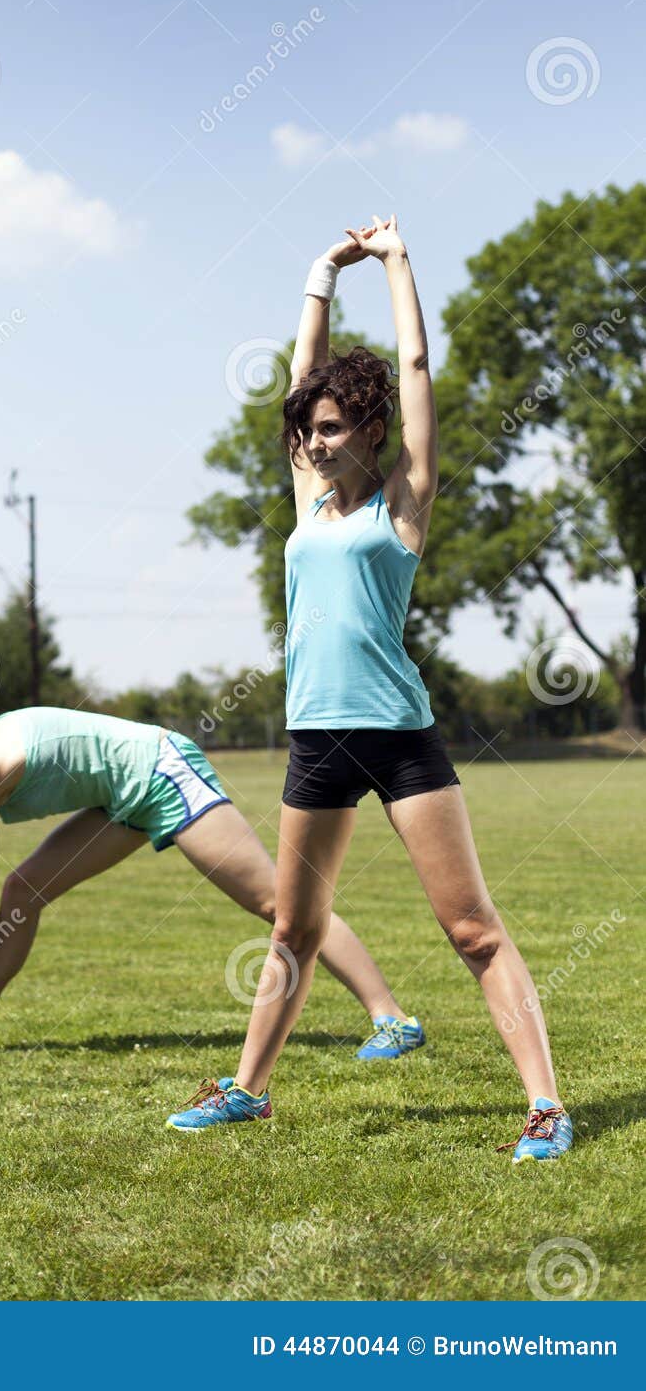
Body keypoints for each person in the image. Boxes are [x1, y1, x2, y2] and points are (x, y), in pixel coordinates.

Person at [165, 217, 572, 1164]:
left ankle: (545, 1107)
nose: (313, 437)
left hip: (396, 735)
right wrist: (317, 273)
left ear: (371, 432)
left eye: (332, 425)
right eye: (308, 428)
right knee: (293, 929)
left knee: (470, 929)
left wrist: (392, 260)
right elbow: (298, 380)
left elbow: (418, 365)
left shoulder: (403, 502)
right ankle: (249, 1092)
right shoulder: (308, 496)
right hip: (314, 737)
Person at [0, 705, 425, 1059]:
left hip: (160, 775)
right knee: (26, 891)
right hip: (122, 797)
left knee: (281, 906)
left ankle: (394, 1020)